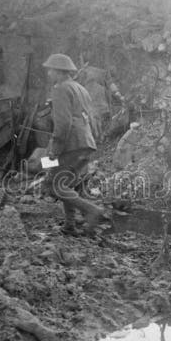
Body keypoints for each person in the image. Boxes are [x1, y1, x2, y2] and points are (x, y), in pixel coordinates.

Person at [43, 53, 106, 235]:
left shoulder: (60, 88)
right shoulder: (80, 88)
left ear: (59, 72)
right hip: (85, 144)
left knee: (52, 186)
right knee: (66, 184)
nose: (48, 74)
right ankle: (70, 226)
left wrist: (54, 151)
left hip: (70, 145)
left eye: (50, 70)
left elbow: (63, 124)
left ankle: (93, 211)